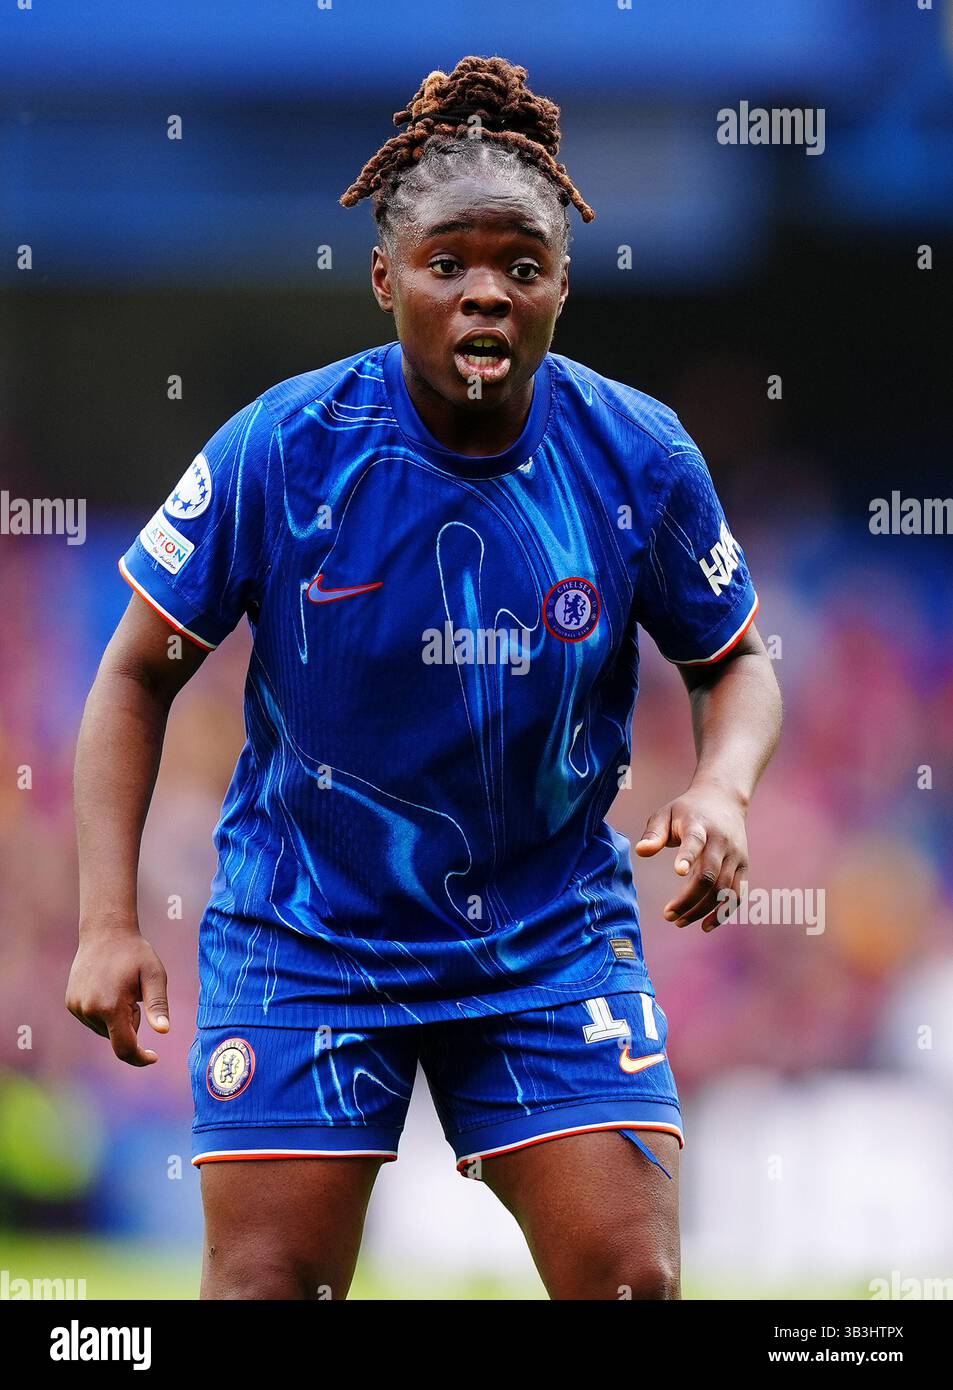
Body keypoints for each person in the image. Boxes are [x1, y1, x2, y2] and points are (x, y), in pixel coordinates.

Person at [67, 55, 781, 1300]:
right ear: (385, 277)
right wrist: (108, 922)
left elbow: (735, 664)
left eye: (521, 264)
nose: (484, 295)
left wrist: (721, 787)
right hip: (309, 932)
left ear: (563, 283)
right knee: (262, 1291)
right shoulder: (284, 448)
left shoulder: (637, 454)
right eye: (447, 264)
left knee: (630, 1279)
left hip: (547, 936)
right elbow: (135, 675)